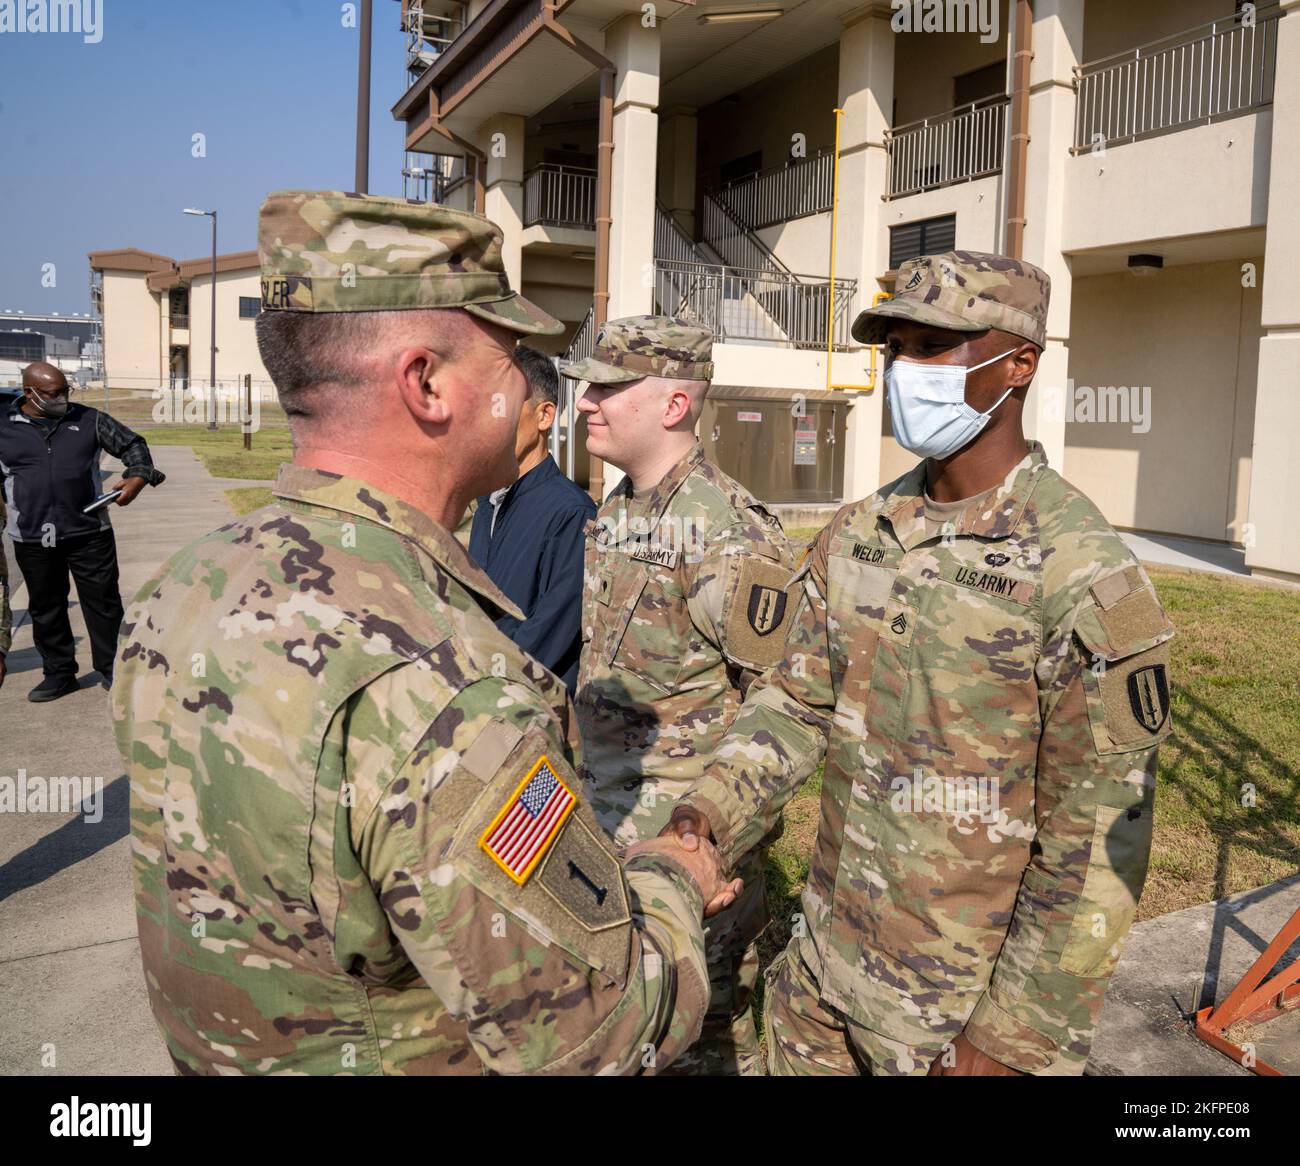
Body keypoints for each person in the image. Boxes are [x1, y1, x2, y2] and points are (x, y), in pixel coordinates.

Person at [111, 190, 740, 1076]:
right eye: (513, 354)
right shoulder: (445, 683)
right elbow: (605, 1032)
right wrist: (677, 878)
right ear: (428, 382)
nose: (531, 386)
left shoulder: (189, 583)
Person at [667, 251, 1175, 1076]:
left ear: (1019, 363)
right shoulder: (861, 531)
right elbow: (794, 706)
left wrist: (1008, 1039)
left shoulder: (1083, 573)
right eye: (895, 347)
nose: (905, 369)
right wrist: (709, 817)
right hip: (822, 984)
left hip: (956, 1020)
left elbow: (1098, 839)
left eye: (933, 347)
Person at [561, 316, 797, 1075]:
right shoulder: (618, 511)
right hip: (604, 839)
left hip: (688, 856)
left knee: (703, 1039)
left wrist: (711, 836)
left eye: (607, 387)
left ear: (672, 405)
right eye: (586, 385)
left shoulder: (730, 535)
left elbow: (786, 706)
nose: (585, 402)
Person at [0, 361, 164, 701]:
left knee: (103, 603)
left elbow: (134, 446)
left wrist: (137, 476)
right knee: (46, 607)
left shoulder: (89, 420)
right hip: (32, 535)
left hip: (89, 530)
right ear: (29, 392)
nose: (62, 398)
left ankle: (112, 668)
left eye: (65, 391)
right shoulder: (3, 426)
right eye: (53, 393)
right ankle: (59, 673)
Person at [469, 344, 595, 691]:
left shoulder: (572, 513)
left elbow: (551, 634)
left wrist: (477, 667)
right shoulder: (485, 503)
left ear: (544, 415)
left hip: (533, 715)